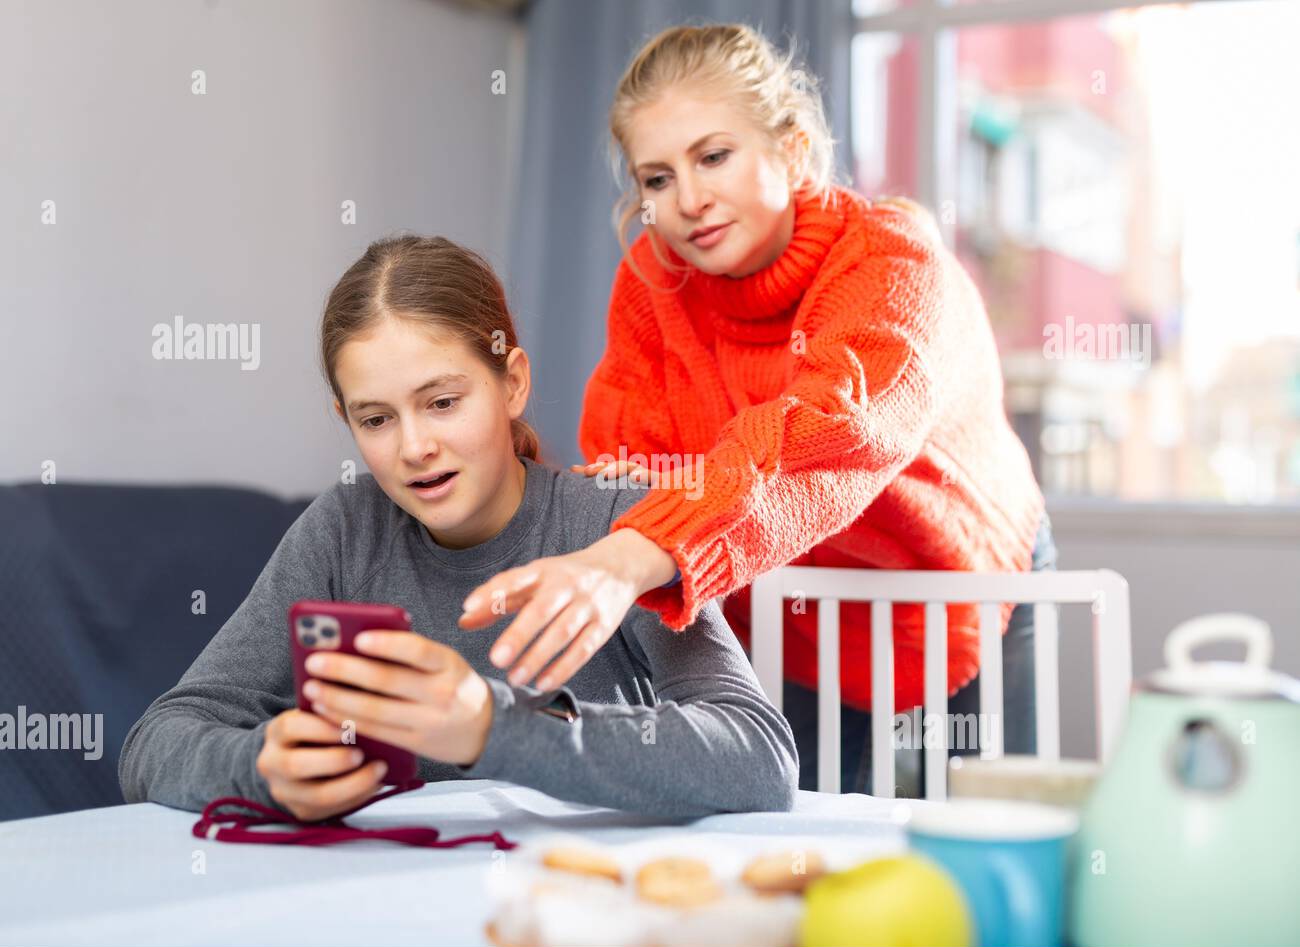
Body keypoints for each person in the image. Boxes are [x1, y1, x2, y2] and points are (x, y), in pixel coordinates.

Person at [457, 24, 1054, 795]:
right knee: (788, 827)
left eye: (713, 156)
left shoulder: (894, 263)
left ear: (792, 146)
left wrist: (626, 557)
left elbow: (827, 434)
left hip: (959, 571)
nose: (690, 200)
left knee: (998, 833)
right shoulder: (653, 283)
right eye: (658, 178)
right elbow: (629, 469)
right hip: (793, 585)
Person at [118, 235, 798, 820]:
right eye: (376, 419)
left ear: (512, 384)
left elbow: (760, 757)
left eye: (442, 402)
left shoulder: (618, 525)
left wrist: (493, 728)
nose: (414, 446)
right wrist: (261, 768)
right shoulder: (345, 530)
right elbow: (155, 741)